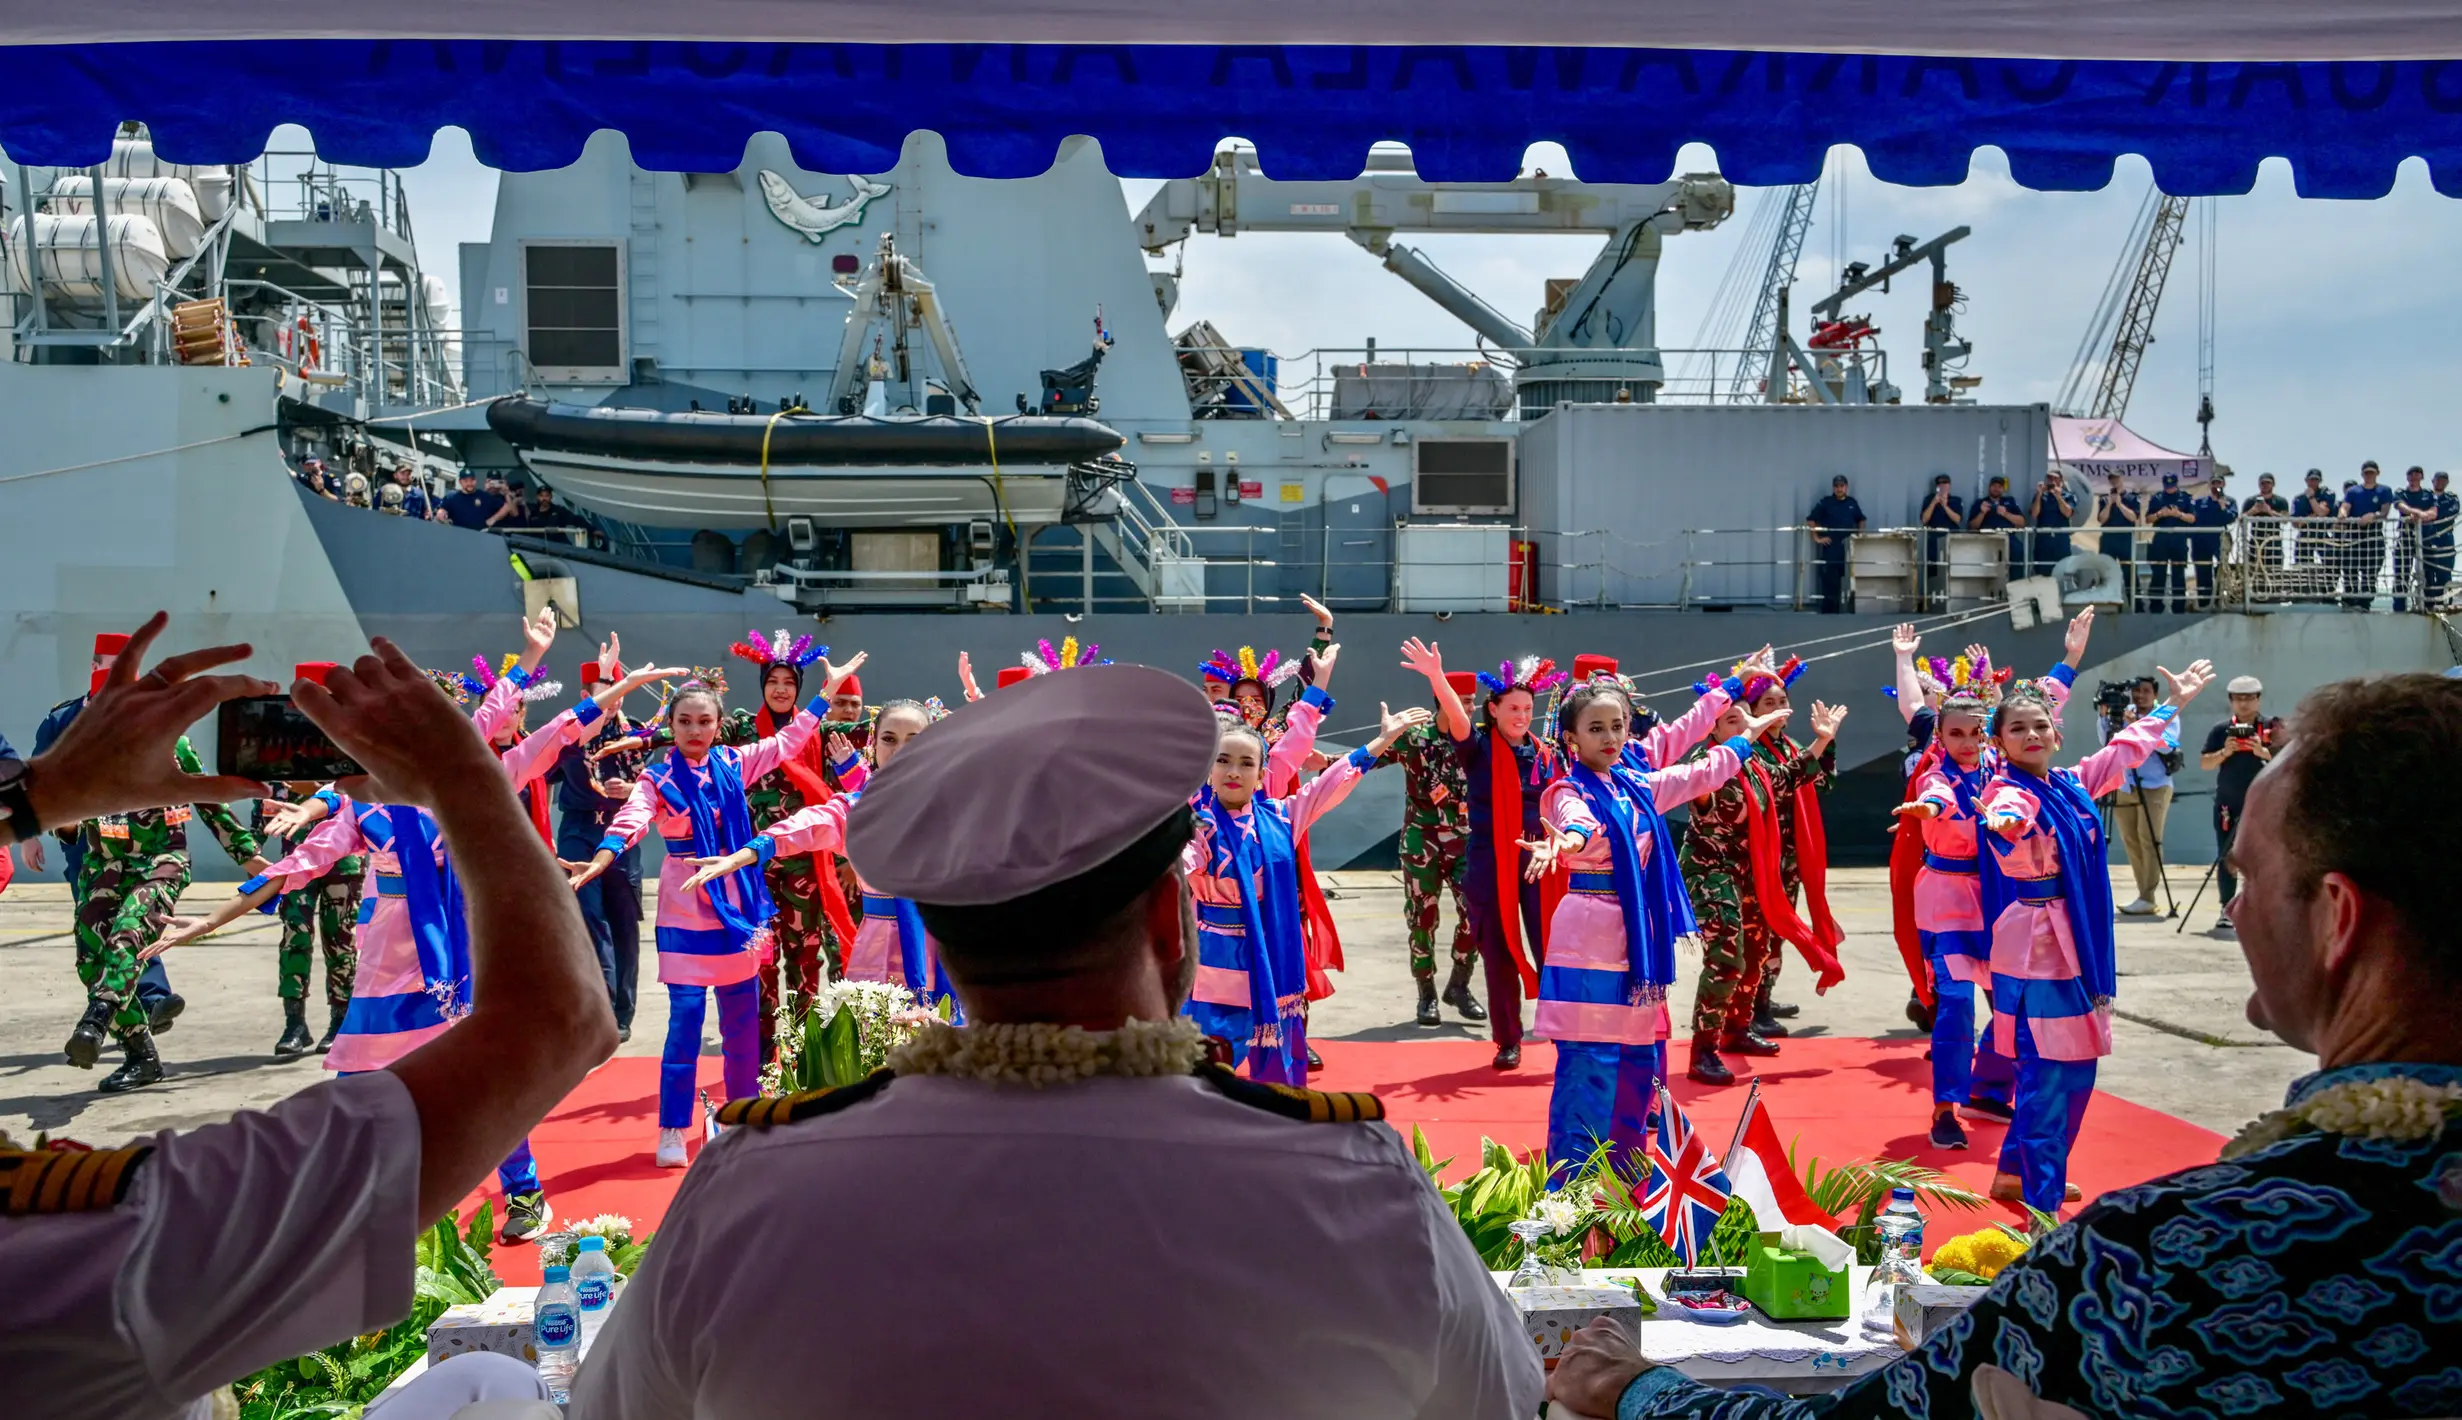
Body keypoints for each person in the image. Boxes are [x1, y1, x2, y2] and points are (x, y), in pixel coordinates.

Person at [568, 663, 1542, 1418]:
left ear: (941, 943)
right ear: (1170, 925)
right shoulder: (1352, 1180)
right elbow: (1501, 1400)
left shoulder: (747, 1188)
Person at [1557, 681, 2462, 1420]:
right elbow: (1989, 809)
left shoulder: (2169, 1251)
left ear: (2339, 917)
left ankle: (2025, 1174)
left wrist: (1644, 1393)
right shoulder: (2011, 792)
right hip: (2010, 933)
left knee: (2053, 1067)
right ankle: (2004, 1156)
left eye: (2247, 879)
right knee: (2014, 1050)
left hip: (2043, 944)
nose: (2232, 909)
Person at [0, 616, 612, 1420]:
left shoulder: (56, 1243)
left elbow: (527, 735)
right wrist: (462, 780)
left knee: (424, 1084)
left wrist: (36, 798)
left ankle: (519, 1190)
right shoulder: (113, 1255)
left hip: (433, 957)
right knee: (495, 1386)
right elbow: (560, 1019)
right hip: (390, 959)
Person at [160, 653, 674, 1241]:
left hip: (455, 952)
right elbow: (296, 867)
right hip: (387, 956)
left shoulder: (463, 789)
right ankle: (343, 1192)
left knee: (488, 1074)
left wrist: (606, 683)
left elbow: (551, 736)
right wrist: (207, 920)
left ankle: (524, 1192)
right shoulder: (359, 802)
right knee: (356, 1075)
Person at [568, 655, 862, 1166]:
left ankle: (742, 1117)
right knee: (683, 1021)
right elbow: (632, 821)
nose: (695, 730)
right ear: (671, 726)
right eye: (685, 721)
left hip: (737, 900)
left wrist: (822, 694)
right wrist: (601, 858)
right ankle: (671, 1128)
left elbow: (788, 742)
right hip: (685, 909)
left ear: (719, 726)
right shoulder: (656, 780)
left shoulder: (733, 764)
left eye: (705, 721)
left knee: (741, 1023)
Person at [1979, 660, 2214, 1212]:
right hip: (2038, 948)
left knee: (2076, 1069)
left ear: (2057, 734)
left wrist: (2172, 703)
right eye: (2017, 728)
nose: (2031, 735)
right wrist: (2005, 824)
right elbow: (2007, 813)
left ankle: (2018, 1174)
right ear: (2000, 742)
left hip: (2078, 947)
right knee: (2047, 1074)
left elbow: (2128, 747)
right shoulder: (2008, 791)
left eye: (2040, 725)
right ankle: (2041, 1204)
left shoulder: (2071, 782)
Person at [1536, 679, 1770, 1181]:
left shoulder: (1638, 784)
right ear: (1572, 738)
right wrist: (1566, 842)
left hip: (1638, 938)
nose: (1610, 737)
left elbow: (1701, 773)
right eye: (1595, 728)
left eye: (1617, 726)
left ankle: (1621, 1185)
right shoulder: (1567, 790)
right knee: (1588, 1065)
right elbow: (1574, 822)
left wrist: (1743, 738)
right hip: (1589, 936)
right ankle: (1571, 1194)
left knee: (1637, 1066)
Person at [49, 628, 269, 1094]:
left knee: (127, 936)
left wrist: (249, 858)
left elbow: (209, 801)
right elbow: (59, 815)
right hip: (103, 866)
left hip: (160, 861)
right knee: (92, 959)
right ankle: (141, 1057)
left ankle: (95, 1019)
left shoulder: (174, 747)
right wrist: (63, 824)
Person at [1180, 691, 1424, 1083]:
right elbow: (1178, 865)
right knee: (1207, 1060)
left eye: (1246, 763)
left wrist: (1381, 741)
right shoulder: (1197, 827)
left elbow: (1327, 787)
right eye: (1223, 761)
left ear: (1263, 775)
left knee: (1271, 1066)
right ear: (1208, 770)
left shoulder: (1280, 817)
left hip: (1273, 954)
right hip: (1215, 960)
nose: (1233, 772)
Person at [679, 698, 951, 1018]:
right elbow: (805, 825)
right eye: (889, 739)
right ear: (873, 746)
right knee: (878, 1047)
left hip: (944, 945)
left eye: (913, 740)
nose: (899, 750)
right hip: (878, 948)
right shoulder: (857, 812)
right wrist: (744, 855)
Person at [1680, 657, 1848, 1086]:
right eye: (1729, 721)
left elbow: (1790, 776)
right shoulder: (1707, 763)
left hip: (1749, 869)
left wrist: (1821, 742)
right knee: (1726, 956)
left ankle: (1738, 1029)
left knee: (1756, 951)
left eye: (1743, 719)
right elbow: (1704, 796)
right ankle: (1703, 1049)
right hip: (1709, 869)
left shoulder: (1752, 761)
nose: (1740, 727)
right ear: (1712, 729)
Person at [1438, 653, 1572, 1070]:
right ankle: (1508, 1040)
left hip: (1539, 864)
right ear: (1493, 709)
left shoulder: (1547, 755)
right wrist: (1435, 675)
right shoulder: (1477, 749)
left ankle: (1564, 1036)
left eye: (1528, 709)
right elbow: (1457, 720)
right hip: (1489, 864)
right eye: (1513, 708)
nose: (1521, 716)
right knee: (1497, 956)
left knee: (1552, 950)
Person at [264, 666, 363, 1059]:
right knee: (294, 935)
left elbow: (345, 789)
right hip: (298, 854)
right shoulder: (281, 742)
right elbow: (269, 792)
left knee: (341, 938)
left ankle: (340, 1019)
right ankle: (295, 1022)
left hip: (344, 856)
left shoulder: (349, 740)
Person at [1385, 640, 1484, 1027]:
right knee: (1421, 920)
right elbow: (1375, 755)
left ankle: (1459, 984)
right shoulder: (1415, 737)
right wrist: (1325, 761)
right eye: (1462, 700)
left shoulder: (1477, 742)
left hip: (1466, 844)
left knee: (1475, 915)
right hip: (1421, 844)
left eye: (1473, 701)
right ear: (1441, 698)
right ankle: (1426, 994)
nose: (1469, 707)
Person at [557, 648, 651, 1042]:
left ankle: (622, 1013)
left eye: (618, 691)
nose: (614, 700)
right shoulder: (567, 733)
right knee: (589, 924)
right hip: (579, 837)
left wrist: (632, 789)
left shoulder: (639, 733)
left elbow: (656, 782)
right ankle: (599, 1010)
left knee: (624, 925)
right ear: (585, 695)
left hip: (620, 837)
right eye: (604, 692)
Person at [2198, 675, 2281, 932]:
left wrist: (2263, 751)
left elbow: (2289, 760)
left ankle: (2261, 907)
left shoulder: (2273, 727)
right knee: (2226, 854)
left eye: (2249, 698)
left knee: (2262, 856)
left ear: (2258, 699)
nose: (2244, 704)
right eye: (2238, 699)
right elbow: (2205, 763)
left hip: (2263, 803)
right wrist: (2225, 752)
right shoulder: (2221, 730)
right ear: (2231, 701)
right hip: (2228, 802)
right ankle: (2227, 907)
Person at [2102, 676, 2184, 917]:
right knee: (2130, 839)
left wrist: (2138, 724)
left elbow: (2167, 744)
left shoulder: (2166, 714)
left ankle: (2148, 896)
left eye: (2146, 691)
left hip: (2155, 784)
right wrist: (2104, 716)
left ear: (2154, 693)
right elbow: (2107, 742)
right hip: (2126, 783)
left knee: (2150, 839)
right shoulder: (2124, 712)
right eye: (2136, 691)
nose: (2140, 696)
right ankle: (2143, 894)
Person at [1803, 474, 1865, 613]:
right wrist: (1817, 538)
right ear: (1833, 487)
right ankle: (1829, 613)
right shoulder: (1826, 502)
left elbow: (1861, 519)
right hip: (1831, 547)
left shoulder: (1852, 503)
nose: (1839, 489)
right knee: (1830, 581)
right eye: (1836, 486)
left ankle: (1849, 610)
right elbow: (1811, 520)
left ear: (1846, 487)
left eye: (1842, 486)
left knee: (1850, 578)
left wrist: (1859, 536)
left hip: (1849, 548)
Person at [2342, 458, 2395, 608]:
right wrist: (2342, 513)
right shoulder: (2353, 491)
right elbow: (2346, 506)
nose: (2369, 475)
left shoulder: (2384, 490)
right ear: (2362, 474)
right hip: (2354, 532)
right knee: (2350, 567)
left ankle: (2365, 602)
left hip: (2373, 533)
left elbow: (2385, 511)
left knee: (2371, 569)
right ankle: (2350, 600)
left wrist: (2373, 515)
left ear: (2377, 473)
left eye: (2371, 473)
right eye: (2366, 473)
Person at [2142, 470, 2196, 612]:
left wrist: (2178, 514)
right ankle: (2156, 607)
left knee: (2178, 573)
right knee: (2158, 573)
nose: (2169, 488)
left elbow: (2192, 518)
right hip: (2161, 537)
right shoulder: (2157, 498)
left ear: (2177, 484)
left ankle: (2178, 607)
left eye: (2172, 485)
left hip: (2178, 538)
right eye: (2167, 485)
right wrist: (2161, 514)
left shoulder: (2185, 498)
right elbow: (2147, 519)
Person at [2186, 471, 2236, 609]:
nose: (2216, 486)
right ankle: (2205, 603)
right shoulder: (2199, 502)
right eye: (2213, 483)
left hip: (2219, 540)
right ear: (2209, 485)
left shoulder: (2229, 501)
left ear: (2223, 484)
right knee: (2202, 572)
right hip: (2201, 541)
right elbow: (2191, 519)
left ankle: (2220, 600)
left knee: (2221, 570)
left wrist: (2222, 506)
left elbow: (2230, 518)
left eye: (2218, 483)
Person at [2091, 471, 2144, 602]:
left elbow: (2133, 517)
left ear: (2122, 478)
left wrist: (2120, 505)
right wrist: (2110, 503)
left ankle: (2136, 604)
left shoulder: (2132, 498)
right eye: (2111, 479)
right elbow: (2101, 519)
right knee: (2106, 571)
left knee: (2129, 572)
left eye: (2116, 478)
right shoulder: (2104, 499)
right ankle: (2107, 602)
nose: (2114, 481)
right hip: (2108, 538)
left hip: (2125, 538)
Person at [1967, 473, 2027, 579]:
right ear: (1989, 487)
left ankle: (2015, 585)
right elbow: (1971, 527)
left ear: (2003, 489)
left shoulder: (2009, 501)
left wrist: (2005, 513)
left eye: (1999, 486)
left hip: (2008, 537)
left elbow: (2022, 523)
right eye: (1994, 486)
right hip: (1987, 538)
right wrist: (1982, 513)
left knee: (2018, 550)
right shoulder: (1980, 502)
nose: (1996, 489)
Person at [2394, 464, 2437, 612]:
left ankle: (2429, 605)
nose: (2414, 476)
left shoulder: (2428, 494)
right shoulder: (2401, 492)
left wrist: (2421, 516)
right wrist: (2415, 513)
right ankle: (2399, 607)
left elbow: (2434, 512)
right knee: (2401, 572)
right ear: (2407, 477)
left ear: (2422, 477)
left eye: (2417, 474)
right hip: (2405, 537)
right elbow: (2400, 506)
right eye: (2411, 474)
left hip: (2425, 537)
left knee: (2429, 571)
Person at [1918, 473, 1964, 606]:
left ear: (1949, 485)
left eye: (1945, 483)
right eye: (1940, 484)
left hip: (1951, 540)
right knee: (1933, 571)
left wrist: (1945, 505)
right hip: (1934, 540)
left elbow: (1958, 519)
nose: (1943, 486)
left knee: (1951, 570)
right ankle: (1931, 602)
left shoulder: (1955, 500)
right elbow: (1924, 520)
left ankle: (1953, 601)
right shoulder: (1929, 499)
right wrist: (1934, 502)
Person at [2291, 467, 2339, 594]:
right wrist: (2312, 516)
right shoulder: (2298, 499)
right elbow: (2296, 523)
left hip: (2321, 533)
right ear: (2306, 481)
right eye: (2311, 480)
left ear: (2320, 481)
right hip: (2305, 534)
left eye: (2316, 480)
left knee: (2332, 562)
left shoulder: (2327, 494)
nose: (2313, 482)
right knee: (2302, 566)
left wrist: (2312, 499)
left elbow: (2322, 512)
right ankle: (2306, 593)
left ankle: (2328, 592)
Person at [2027, 466, 2076, 575]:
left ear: (2061, 480)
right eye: (2049, 478)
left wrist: (2058, 497)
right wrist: (2039, 494)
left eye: (2055, 478)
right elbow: (2034, 514)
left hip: (2060, 540)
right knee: (2042, 571)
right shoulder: (2041, 496)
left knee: (2063, 571)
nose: (2052, 481)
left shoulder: (2068, 496)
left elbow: (2068, 513)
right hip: (2044, 540)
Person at [2241, 471, 2290, 577]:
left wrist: (2270, 511)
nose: (2265, 486)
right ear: (2259, 484)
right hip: (2255, 541)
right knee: (2254, 573)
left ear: (2273, 484)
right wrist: (2253, 511)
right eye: (2262, 483)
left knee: (2275, 574)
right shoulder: (2250, 501)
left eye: (2268, 483)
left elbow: (2285, 520)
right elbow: (2240, 519)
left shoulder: (2281, 501)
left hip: (2274, 543)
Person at [437, 469, 503, 531]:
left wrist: (493, 519)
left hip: (481, 538)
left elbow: (504, 507)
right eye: (465, 481)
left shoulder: (484, 496)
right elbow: (441, 511)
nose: (469, 483)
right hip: (458, 537)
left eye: (472, 480)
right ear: (460, 482)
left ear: (476, 480)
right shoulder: (452, 497)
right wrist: (441, 513)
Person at [2430, 469, 2459, 608]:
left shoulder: (2451, 498)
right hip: (2428, 537)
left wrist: (2433, 515)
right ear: (2432, 481)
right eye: (2438, 479)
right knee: (2428, 572)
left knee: (2445, 572)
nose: (2440, 482)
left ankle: (2446, 602)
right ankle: (2429, 603)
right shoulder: (2426, 497)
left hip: (2445, 537)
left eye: (2443, 480)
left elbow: (2453, 511)